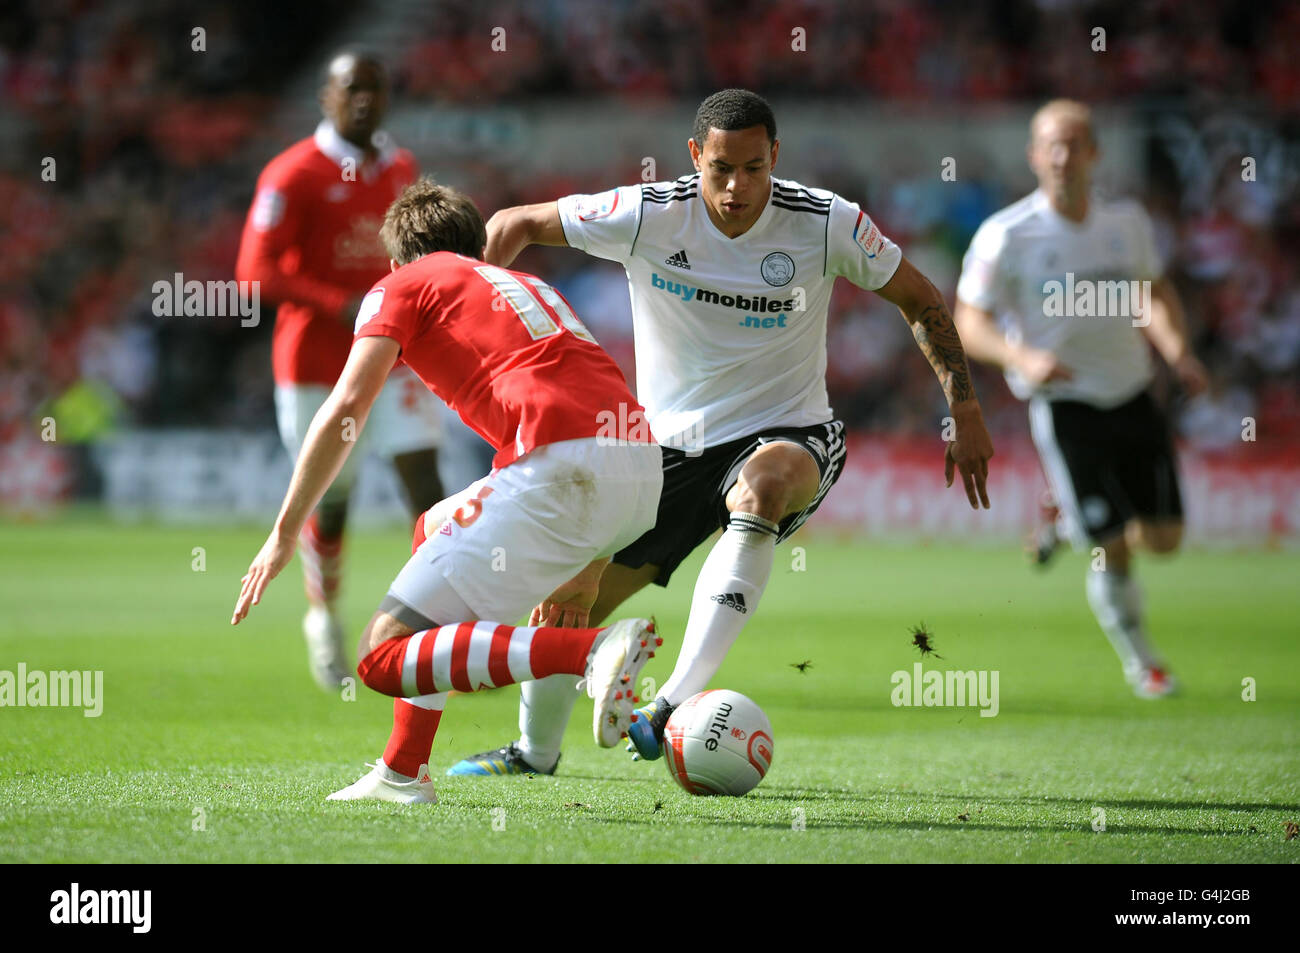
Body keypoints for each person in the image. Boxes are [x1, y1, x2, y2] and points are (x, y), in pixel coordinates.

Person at [437, 88, 994, 777]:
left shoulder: (825, 222)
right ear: (695, 156)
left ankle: (669, 702)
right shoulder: (648, 213)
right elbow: (514, 221)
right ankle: (533, 753)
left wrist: (963, 409)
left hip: (789, 429)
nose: (737, 187)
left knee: (761, 489)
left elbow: (921, 298)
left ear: (776, 158)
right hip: (665, 451)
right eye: (721, 168)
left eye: (755, 168)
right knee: (564, 602)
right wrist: (482, 319)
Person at [231, 178, 665, 803]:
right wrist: (593, 560)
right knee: (432, 528)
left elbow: (347, 407)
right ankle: (403, 773)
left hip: (556, 466)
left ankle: (590, 654)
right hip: (639, 471)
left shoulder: (403, 284)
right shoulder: (533, 285)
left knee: (381, 657)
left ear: (397, 257)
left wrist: (283, 532)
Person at [953, 99, 1208, 698]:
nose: (1063, 156)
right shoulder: (1006, 235)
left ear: (1095, 153)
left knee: (1165, 540)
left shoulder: (1127, 225)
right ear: (1035, 155)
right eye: (1052, 145)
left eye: (1075, 144)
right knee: (1113, 546)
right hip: (1064, 407)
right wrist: (1022, 358)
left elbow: (1154, 292)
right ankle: (1143, 662)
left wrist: (1177, 352)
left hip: (1133, 394)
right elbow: (969, 322)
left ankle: (1065, 522)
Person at [235, 51, 446, 690]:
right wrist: (341, 305)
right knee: (334, 501)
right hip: (318, 364)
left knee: (427, 485)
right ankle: (324, 615)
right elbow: (255, 269)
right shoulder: (293, 172)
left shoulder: (402, 167)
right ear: (326, 97)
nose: (365, 100)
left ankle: (436, 629)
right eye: (353, 88)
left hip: (395, 358)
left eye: (376, 89)